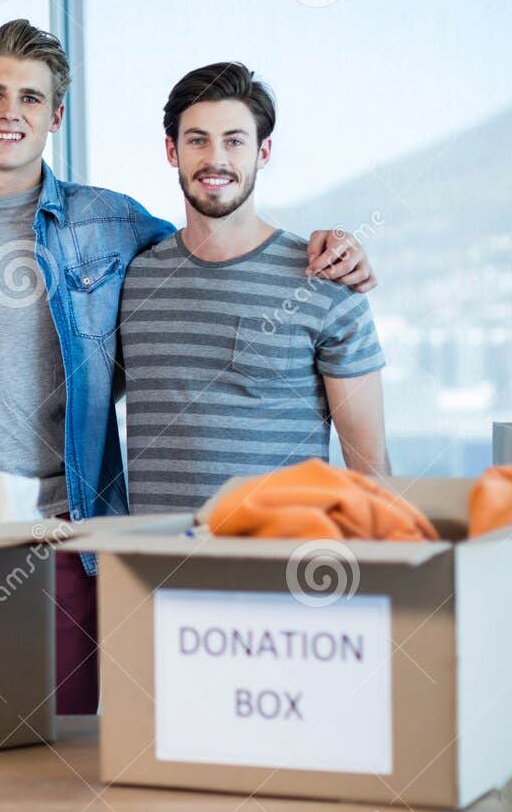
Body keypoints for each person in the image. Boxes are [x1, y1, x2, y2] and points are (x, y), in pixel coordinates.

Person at [0, 20, 377, 714]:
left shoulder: (108, 227)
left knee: (69, 750)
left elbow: (216, 244)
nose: (10, 112)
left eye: (30, 97)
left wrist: (334, 247)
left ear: (57, 115)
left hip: (67, 534)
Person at [121, 62, 388, 514]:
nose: (216, 159)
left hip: (284, 555)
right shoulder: (135, 279)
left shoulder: (326, 282)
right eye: (197, 140)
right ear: (172, 150)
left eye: (234, 141)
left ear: (263, 152)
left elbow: (370, 470)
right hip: (151, 556)